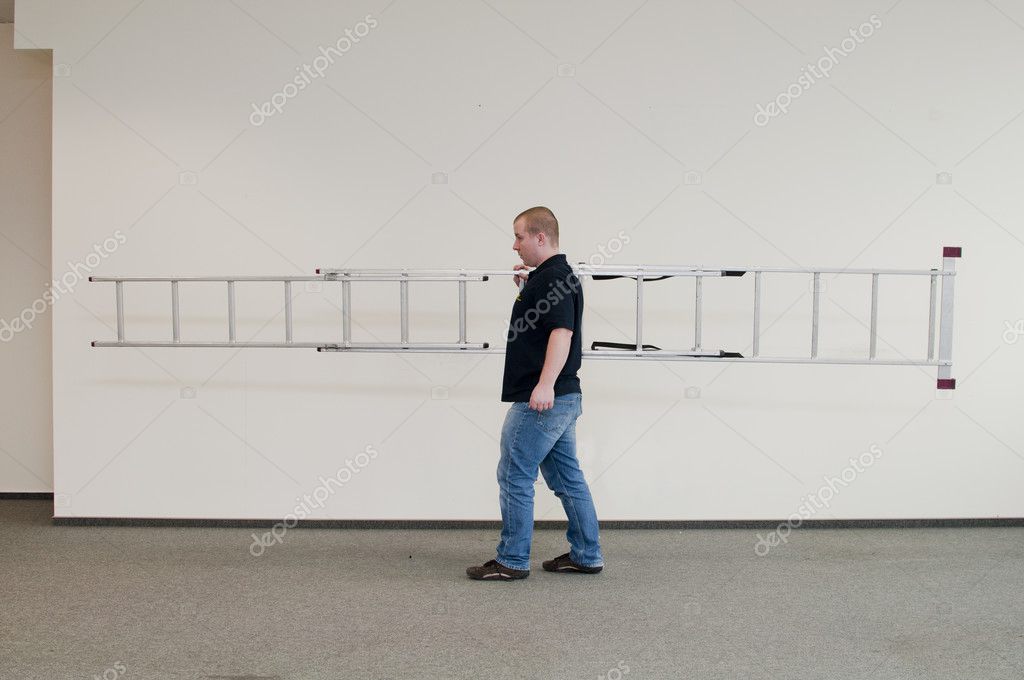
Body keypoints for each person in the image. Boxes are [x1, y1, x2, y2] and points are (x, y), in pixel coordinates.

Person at [466, 206, 604, 581]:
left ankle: (512, 559)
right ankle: (587, 554)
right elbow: (547, 325)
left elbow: (562, 333)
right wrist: (528, 293)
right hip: (563, 397)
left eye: (519, 236)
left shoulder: (554, 278)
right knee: (567, 479)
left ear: (540, 237)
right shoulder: (551, 277)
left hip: (544, 398)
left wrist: (543, 384)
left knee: (514, 474)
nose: (514, 245)